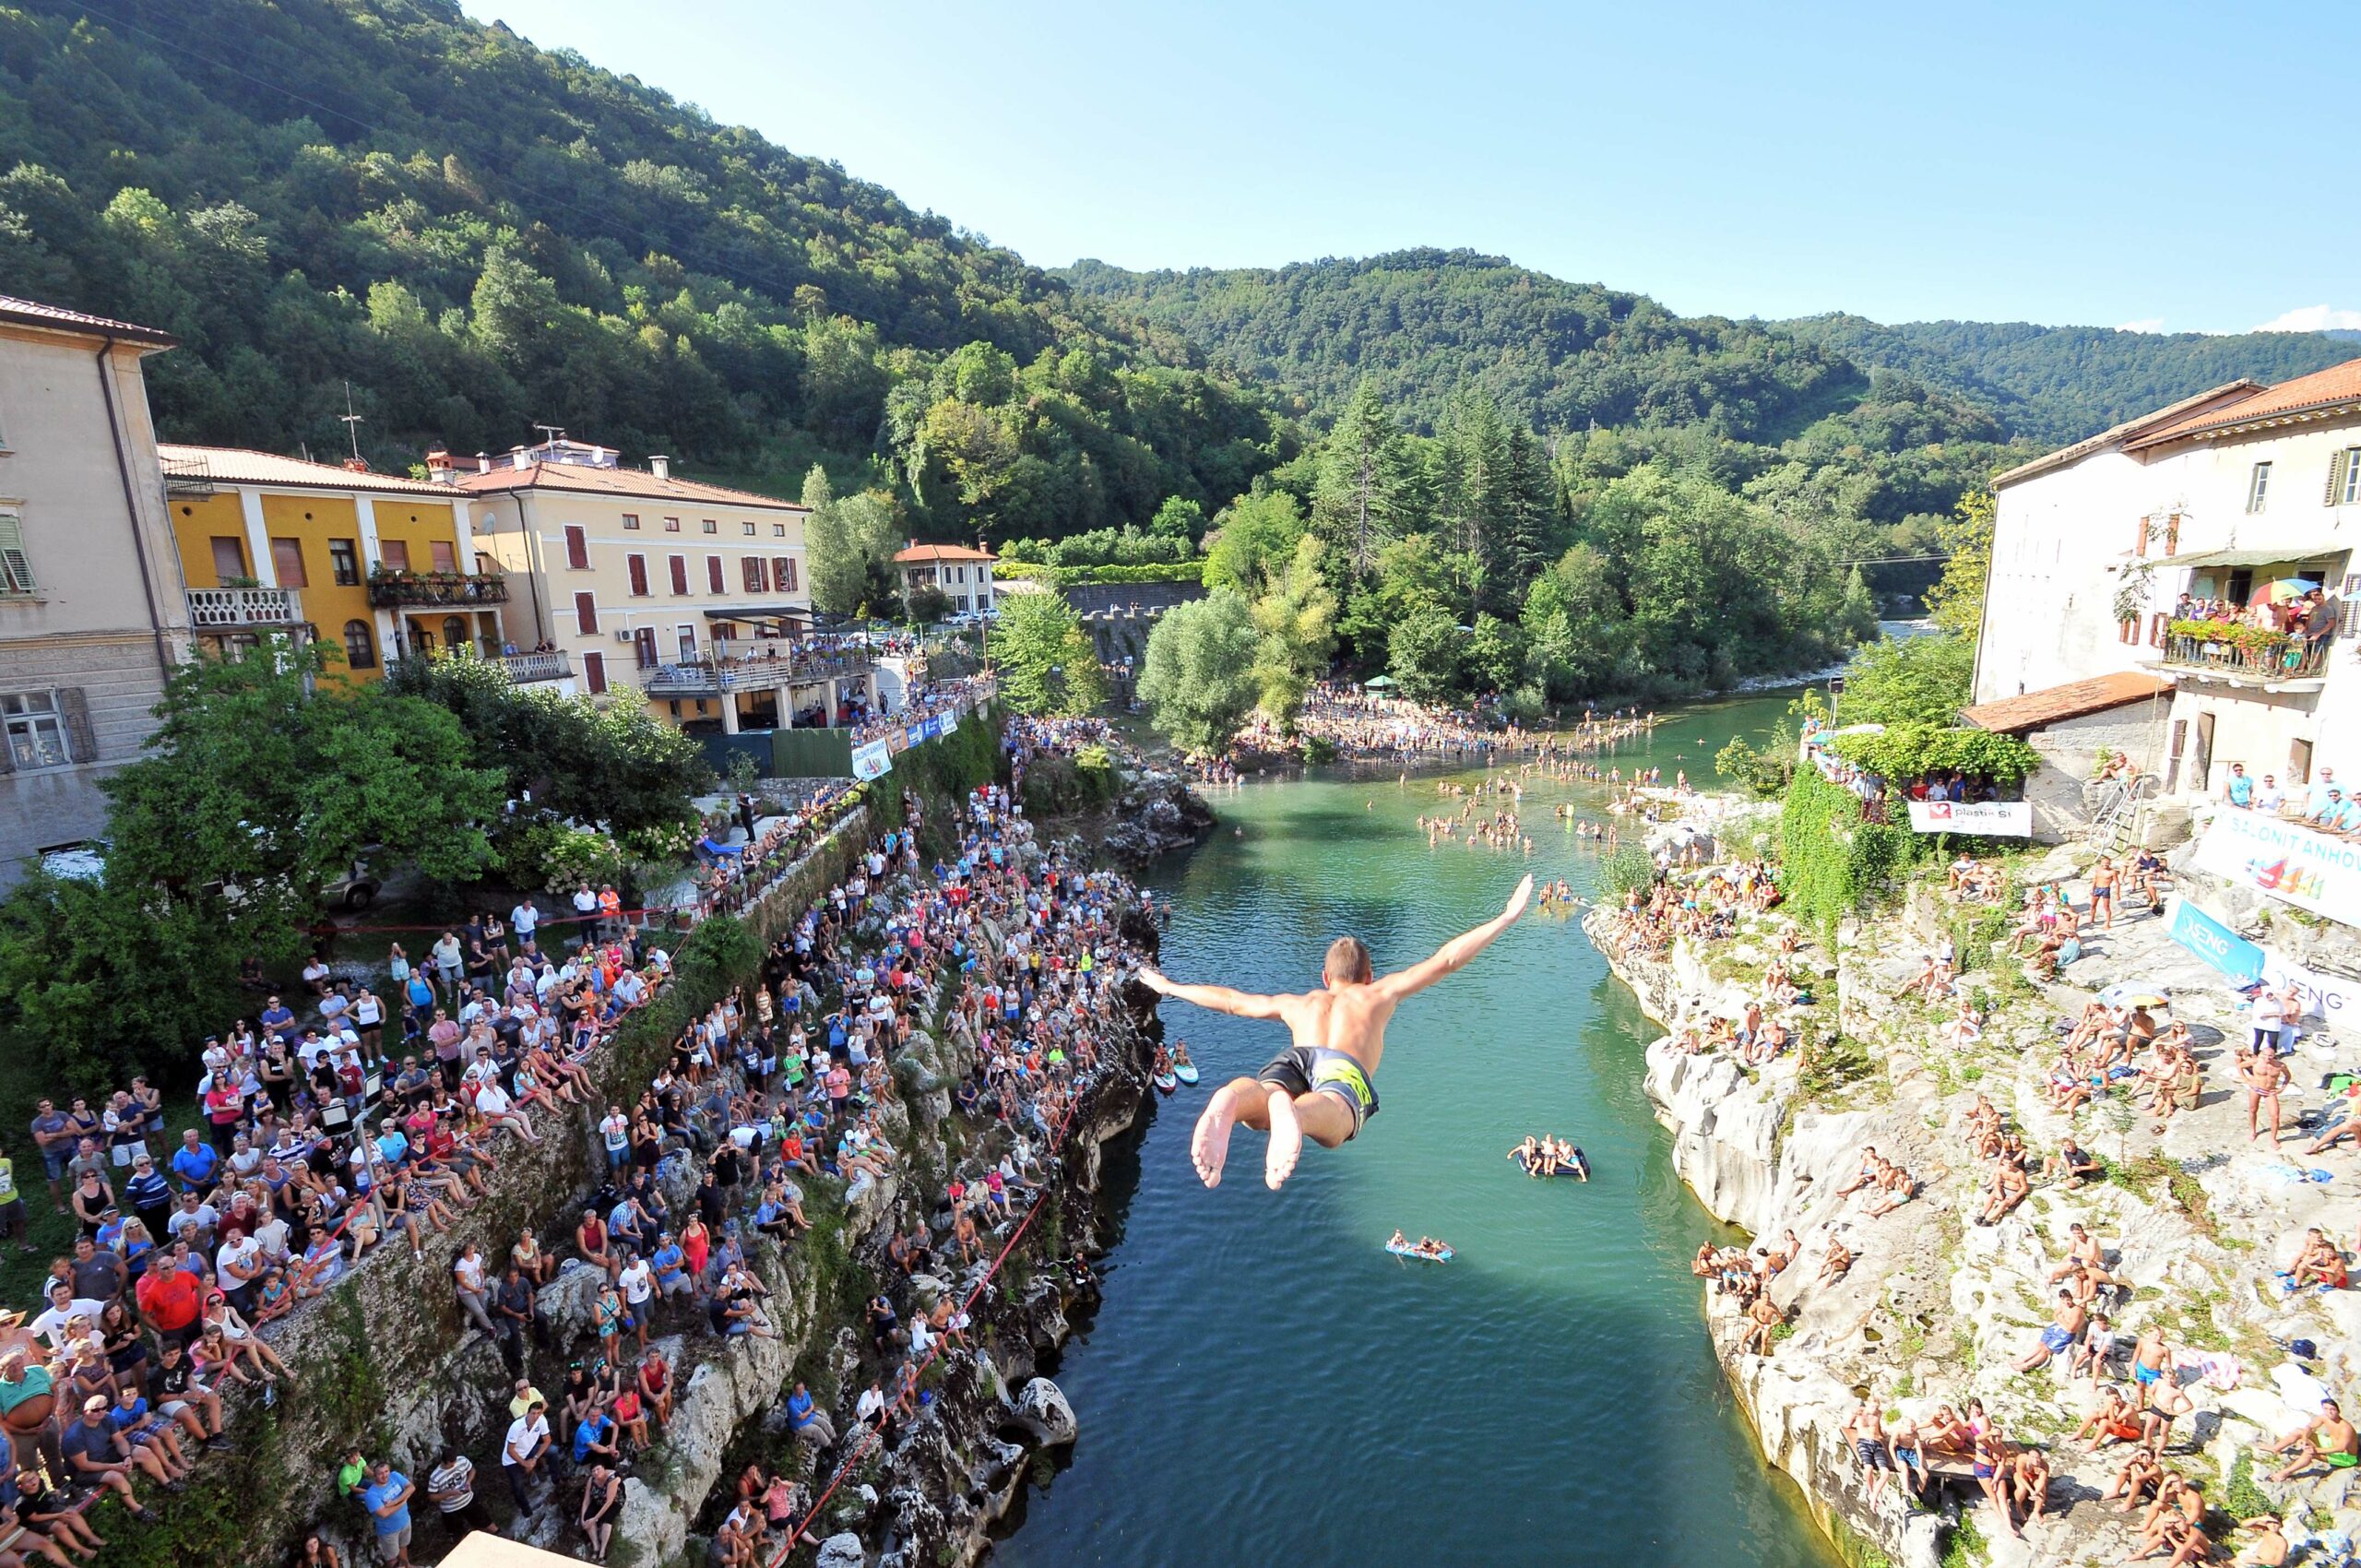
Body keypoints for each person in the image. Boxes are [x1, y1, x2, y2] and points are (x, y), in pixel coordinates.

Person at [1142, 874, 1532, 1189]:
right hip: (1341, 1069)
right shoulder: (1380, 993)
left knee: (1260, 1104)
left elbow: (1231, 1000)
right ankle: (1293, 1114)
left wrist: (1170, 987)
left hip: (1297, 1056)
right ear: (1369, 975)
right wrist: (1505, 917)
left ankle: (1231, 1100)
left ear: (1325, 977)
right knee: (1336, 1120)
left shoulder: (1299, 1004)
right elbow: (1446, 959)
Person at [2256, 1396, 2357, 1482]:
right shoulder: (2324, 1417)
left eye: (2332, 1409)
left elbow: (2340, 1448)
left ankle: (2285, 1473)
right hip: (2330, 1444)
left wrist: (2316, 1450)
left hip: (2345, 1457)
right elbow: (2310, 1427)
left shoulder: (2345, 1428)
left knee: (2309, 1453)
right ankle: (2276, 1448)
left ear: (2338, 1411)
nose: (2329, 1412)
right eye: (2326, 1409)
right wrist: (2304, 1439)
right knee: (2298, 1431)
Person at [359, 1458, 415, 1568]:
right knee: (392, 1557)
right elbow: (384, 1513)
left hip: (405, 1521)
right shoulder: (371, 1494)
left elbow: (411, 1487)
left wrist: (394, 1502)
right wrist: (403, 1501)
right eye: (380, 1473)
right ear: (375, 1475)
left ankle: (407, 1565)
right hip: (389, 1531)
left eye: (386, 1472)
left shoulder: (395, 1476)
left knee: (404, 1546)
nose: (384, 1475)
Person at [578, 1462, 622, 1562]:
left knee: (607, 1520)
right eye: (593, 1471)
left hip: (614, 1500)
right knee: (587, 1517)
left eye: (598, 1469)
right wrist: (583, 1518)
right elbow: (586, 1499)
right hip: (598, 1499)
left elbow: (609, 1501)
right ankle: (596, 1546)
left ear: (604, 1468)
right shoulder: (592, 1480)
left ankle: (603, 1550)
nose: (596, 1473)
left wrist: (595, 1519)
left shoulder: (612, 1479)